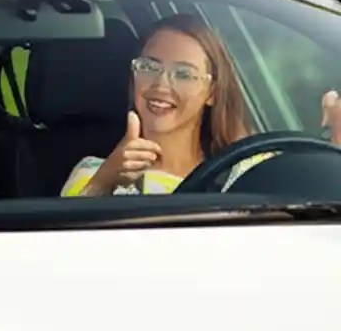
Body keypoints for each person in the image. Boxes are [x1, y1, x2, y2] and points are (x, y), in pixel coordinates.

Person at [62, 13, 341, 196]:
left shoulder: (251, 170)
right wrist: (104, 182)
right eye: (149, 67)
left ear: (212, 92)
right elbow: (58, 256)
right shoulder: (93, 173)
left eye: (183, 74)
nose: (161, 84)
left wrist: (335, 141)